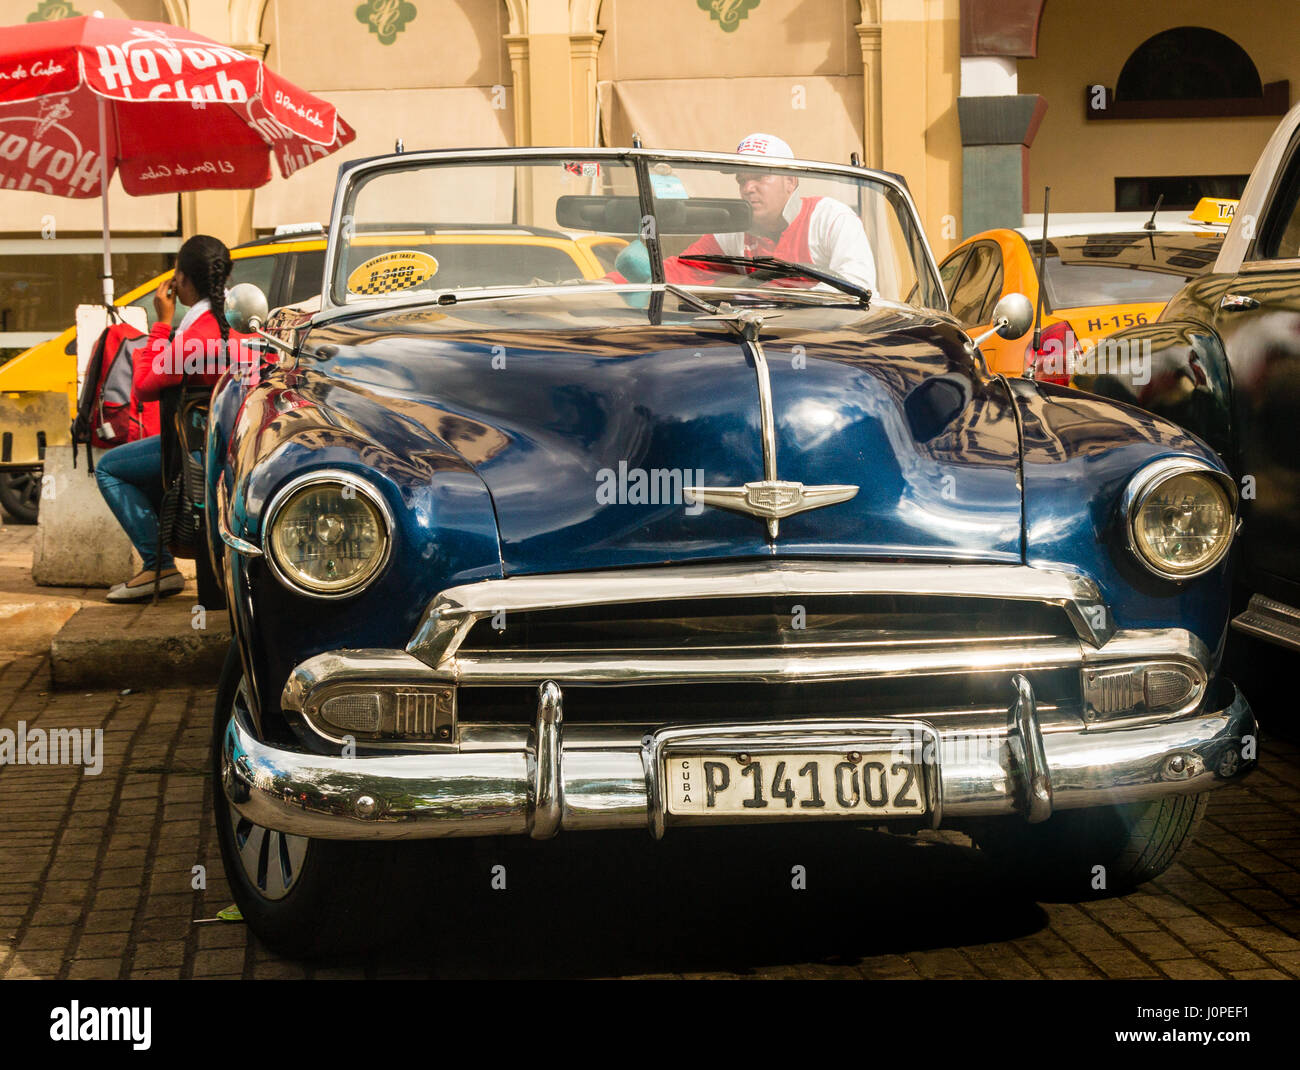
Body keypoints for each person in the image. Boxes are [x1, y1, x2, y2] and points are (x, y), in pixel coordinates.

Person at [95, 234, 236, 603]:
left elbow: (142, 385)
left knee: (110, 468)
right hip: (236, 449)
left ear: (182, 281)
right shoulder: (243, 330)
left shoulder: (191, 338)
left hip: (192, 457)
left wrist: (161, 323)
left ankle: (159, 564)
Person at [613, 133, 877, 292]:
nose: (748, 188)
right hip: (758, 344)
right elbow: (682, 269)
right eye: (742, 180)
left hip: (826, 346)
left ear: (791, 182)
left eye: (759, 177)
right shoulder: (734, 231)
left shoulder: (830, 219)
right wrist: (607, 284)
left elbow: (859, 286)